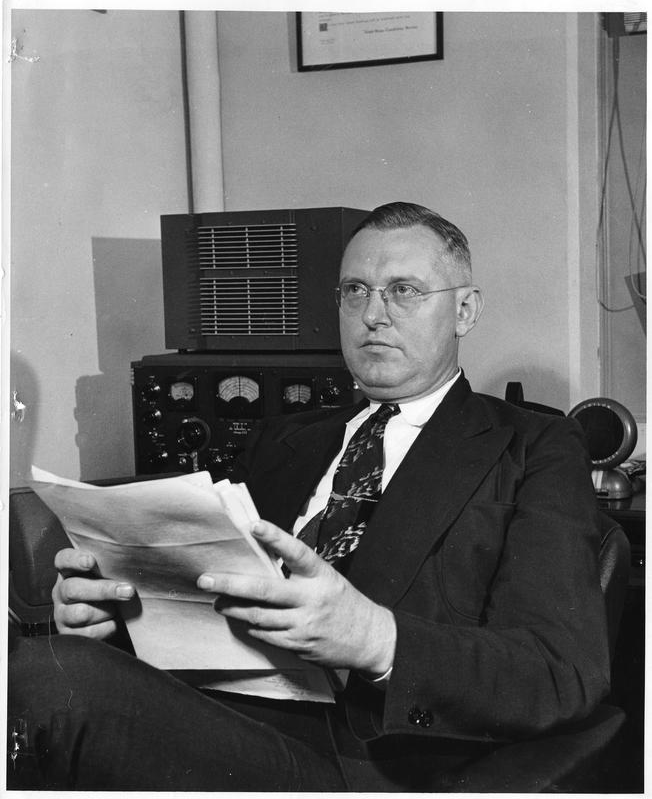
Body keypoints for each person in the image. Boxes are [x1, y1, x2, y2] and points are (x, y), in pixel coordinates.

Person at [8, 202, 610, 792]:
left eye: (404, 291)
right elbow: (206, 600)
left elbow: (562, 672)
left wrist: (373, 638)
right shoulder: (285, 439)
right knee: (50, 669)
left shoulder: (535, 447)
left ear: (465, 310)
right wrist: (111, 618)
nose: (374, 315)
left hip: (362, 757)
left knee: (43, 678)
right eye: (355, 291)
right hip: (219, 714)